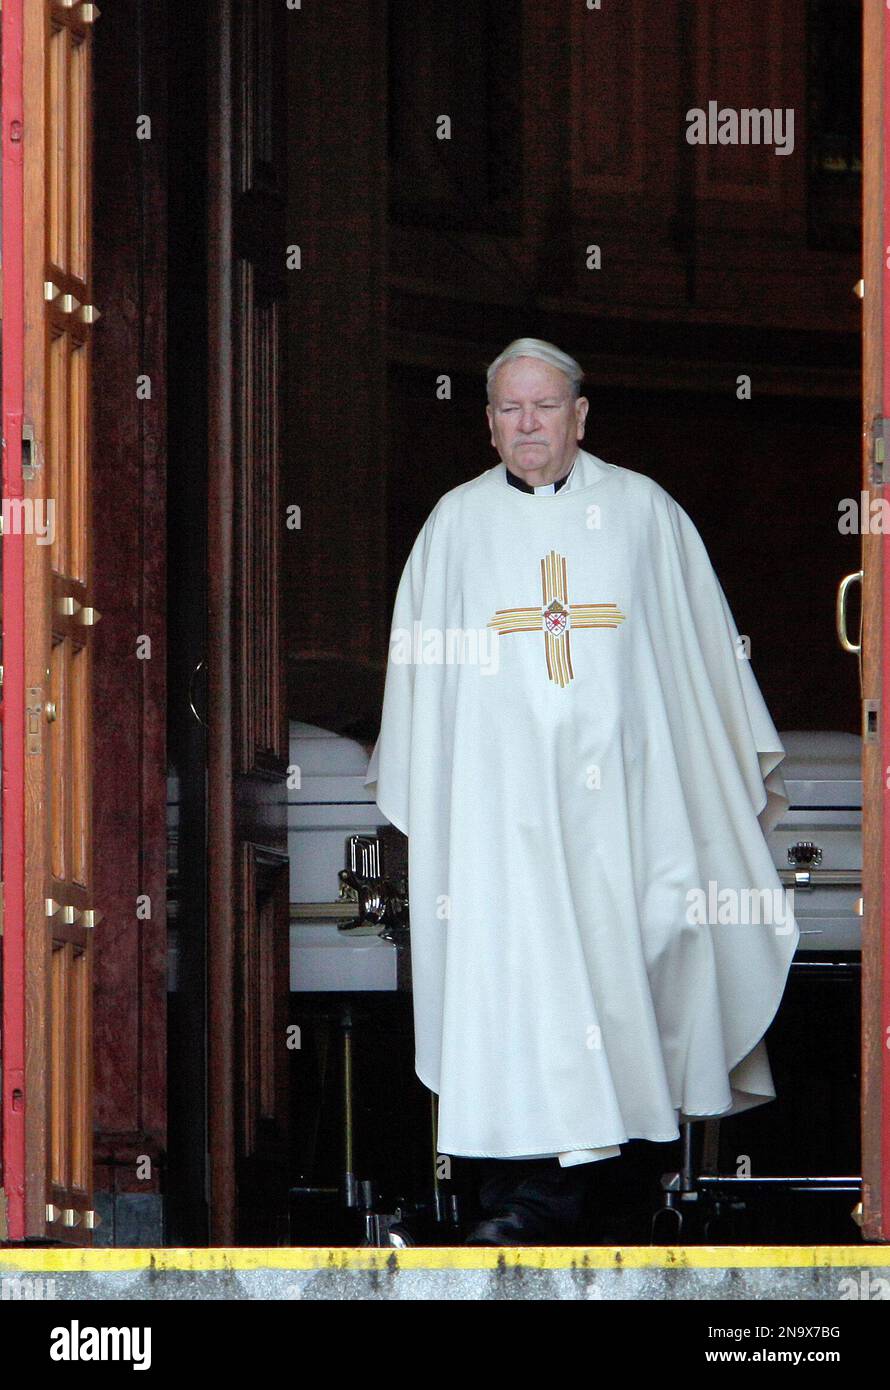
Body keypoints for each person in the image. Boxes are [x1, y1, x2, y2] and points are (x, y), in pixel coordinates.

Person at [366, 337, 798, 1244]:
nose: (529, 425)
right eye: (511, 409)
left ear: (581, 416)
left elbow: (695, 667)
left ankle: (623, 1196)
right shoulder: (454, 527)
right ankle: (518, 1204)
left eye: (547, 407)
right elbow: (421, 688)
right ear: (488, 425)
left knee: (629, 982)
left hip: (627, 820)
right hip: (501, 824)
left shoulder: (644, 514)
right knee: (512, 990)